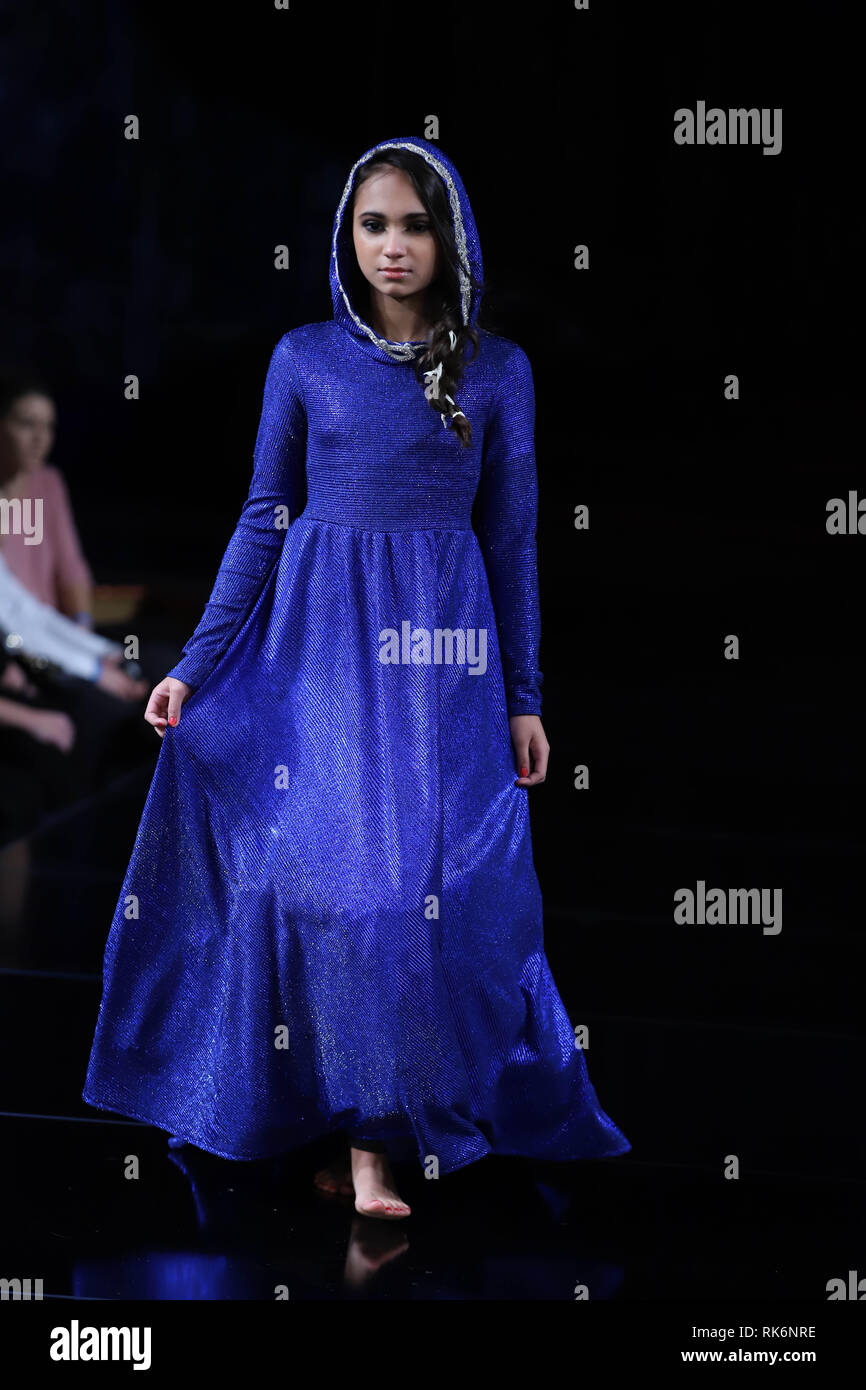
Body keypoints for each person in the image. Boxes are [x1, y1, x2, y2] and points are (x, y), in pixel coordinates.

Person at [82, 135, 630, 1221]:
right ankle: (359, 1137)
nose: (391, 246)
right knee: (332, 884)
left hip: (441, 660)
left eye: (415, 225)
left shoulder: (497, 369)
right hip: (318, 650)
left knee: (427, 895)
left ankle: (383, 1120)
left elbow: (513, 538)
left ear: (450, 235)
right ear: (346, 234)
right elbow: (261, 515)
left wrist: (524, 695)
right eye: (372, 224)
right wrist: (194, 665)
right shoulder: (303, 360)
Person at [0, 372, 96, 622]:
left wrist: (81, 624)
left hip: (43, 639)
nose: (40, 439)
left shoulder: (49, 484)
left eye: (48, 427)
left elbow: (71, 568)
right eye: (27, 424)